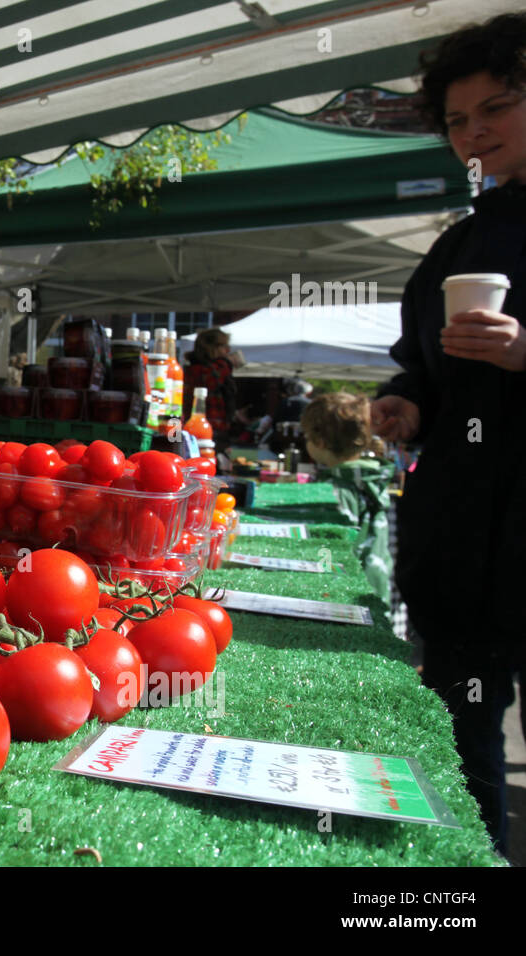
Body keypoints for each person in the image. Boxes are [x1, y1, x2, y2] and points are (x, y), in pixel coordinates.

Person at [370, 12, 526, 857]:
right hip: (463, 547)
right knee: (466, 752)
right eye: (459, 121)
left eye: (497, 108)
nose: (475, 133)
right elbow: (423, 371)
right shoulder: (456, 246)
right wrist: (405, 401)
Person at [300, 392, 392, 599]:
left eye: (307, 436)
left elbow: (333, 545)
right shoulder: (371, 478)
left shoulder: (337, 491)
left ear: (320, 441)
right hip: (380, 584)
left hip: (356, 594)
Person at [183, 327, 237, 452]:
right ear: (212, 348)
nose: (228, 350)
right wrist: (226, 363)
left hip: (216, 429)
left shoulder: (210, 368)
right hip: (205, 430)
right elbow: (211, 381)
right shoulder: (200, 370)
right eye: (224, 346)